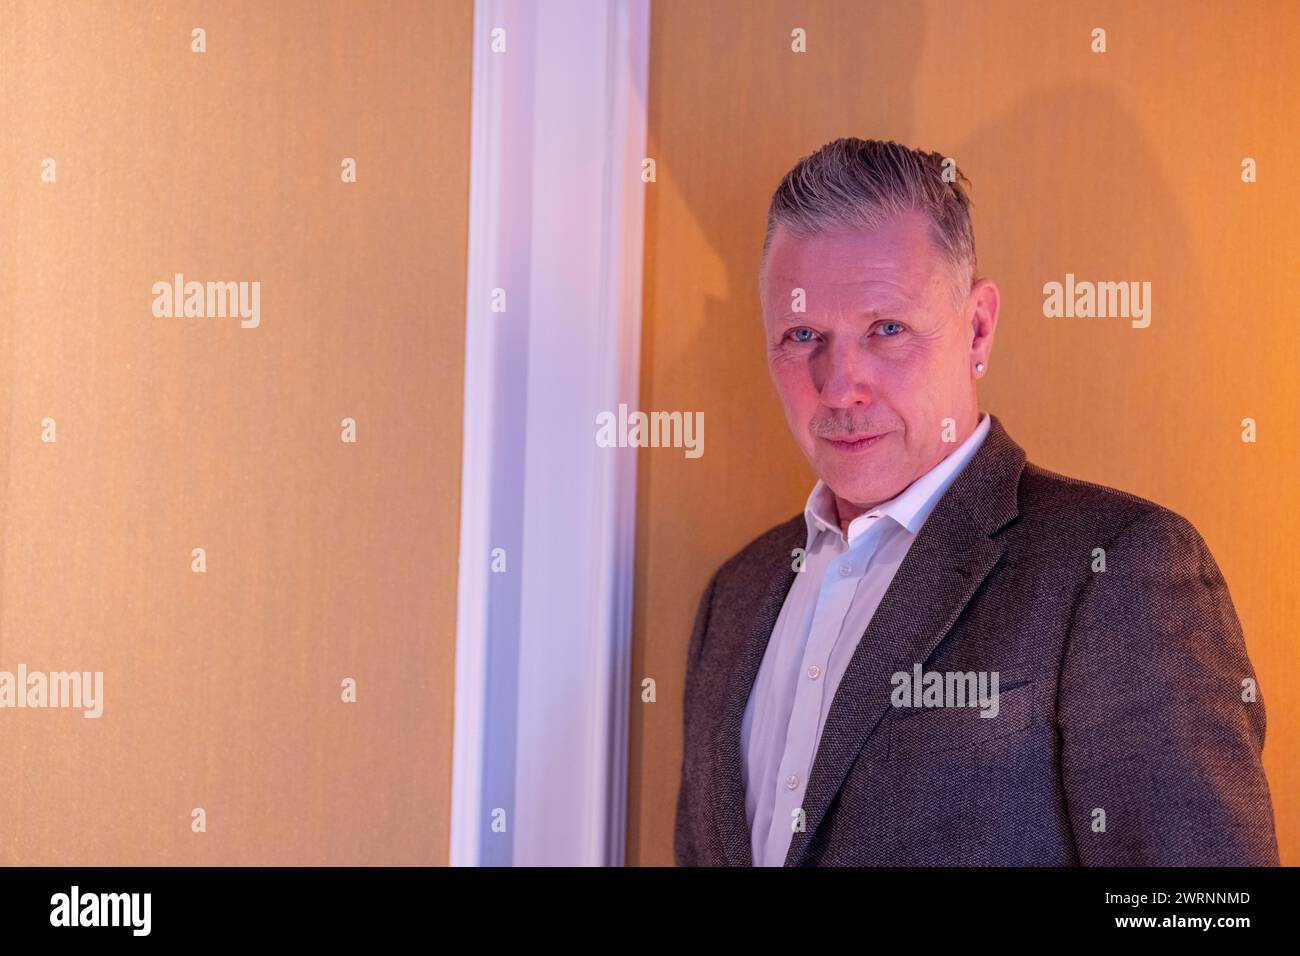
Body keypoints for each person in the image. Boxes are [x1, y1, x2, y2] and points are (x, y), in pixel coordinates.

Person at [674, 137, 1279, 866]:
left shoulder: (1117, 569)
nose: (839, 386)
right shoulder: (733, 598)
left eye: (886, 329)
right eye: (803, 335)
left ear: (978, 328)